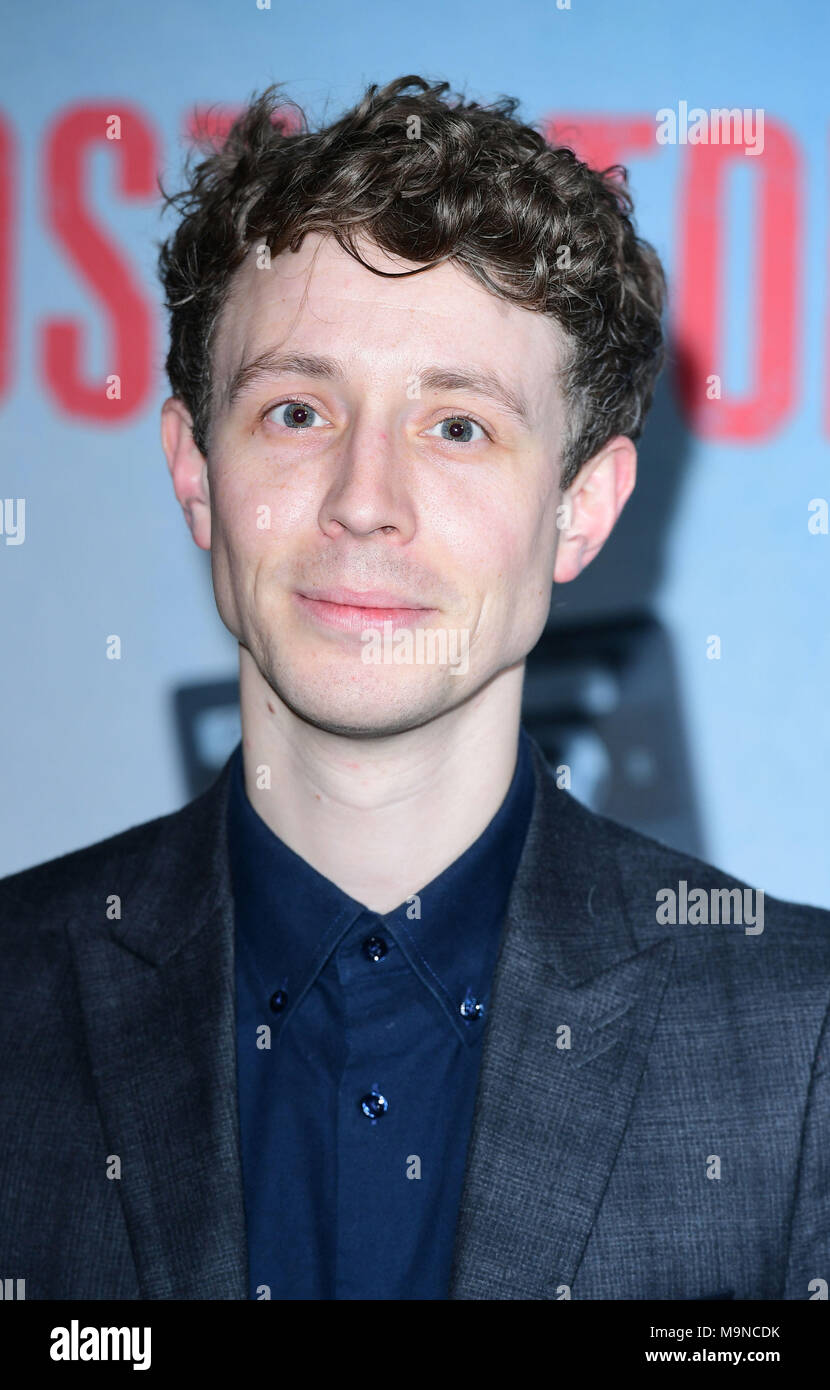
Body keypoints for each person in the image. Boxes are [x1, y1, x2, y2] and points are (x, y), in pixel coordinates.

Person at [1, 75, 828, 1302]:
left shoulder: (797, 1041)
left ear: (579, 511)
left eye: (457, 428)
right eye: (296, 410)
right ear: (193, 472)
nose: (362, 500)